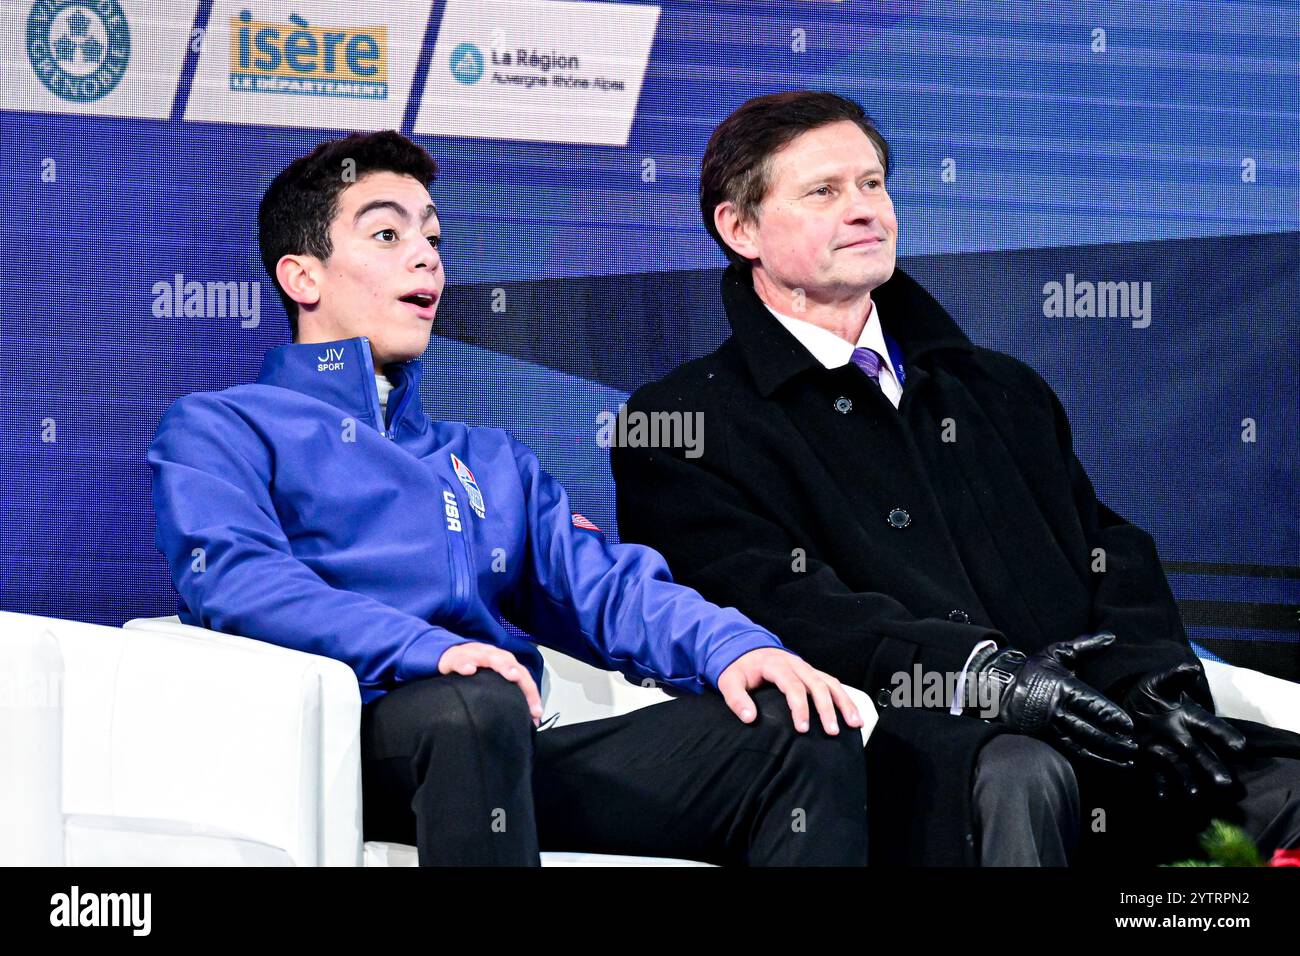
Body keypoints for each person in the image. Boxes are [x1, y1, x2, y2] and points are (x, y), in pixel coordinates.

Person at [611, 90, 1300, 866]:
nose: (865, 209)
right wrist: (985, 678)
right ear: (740, 230)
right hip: (906, 763)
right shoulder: (682, 423)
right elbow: (779, 609)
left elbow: (1112, 553)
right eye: (824, 192)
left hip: (1096, 731)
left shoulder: (999, 388)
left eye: (873, 183)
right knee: (1020, 772)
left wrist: (1149, 685)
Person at [147, 129, 870, 867]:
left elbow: (610, 590)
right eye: (388, 233)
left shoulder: (489, 460)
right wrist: (431, 651)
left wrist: (732, 647)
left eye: (432, 235)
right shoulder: (219, 426)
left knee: (802, 728)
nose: (426, 254)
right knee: (474, 705)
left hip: (497, 747)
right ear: (303, 278)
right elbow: (239, 581)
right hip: (339, 750)